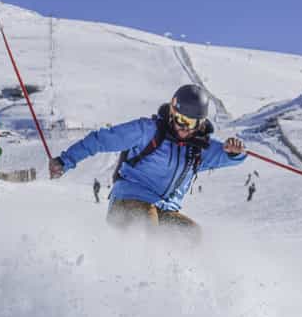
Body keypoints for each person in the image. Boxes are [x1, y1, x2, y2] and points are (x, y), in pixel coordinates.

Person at [49, 84, 246, 238]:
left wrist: (234, 152)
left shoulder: (198, 148)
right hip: (129, 200)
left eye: (191, 123)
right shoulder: (148, 130)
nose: (183, 128)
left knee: (191, 234)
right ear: (171, 113)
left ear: (201, 124)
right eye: (179, 119)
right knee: (146, 221)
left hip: (165, 211)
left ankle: (181, 282)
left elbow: (228, 156)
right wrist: (65, 161)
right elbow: (101, 140)